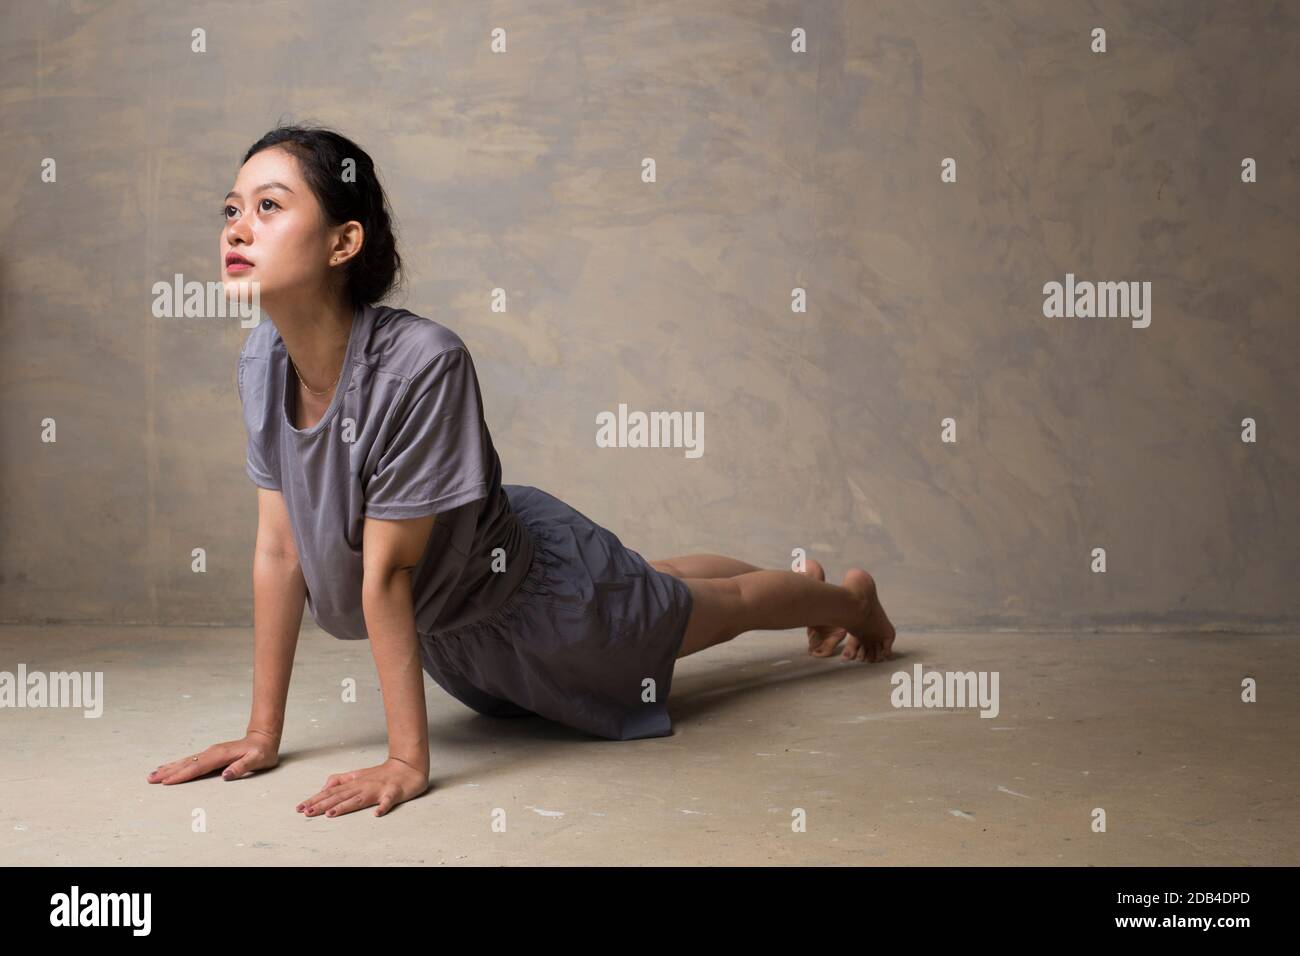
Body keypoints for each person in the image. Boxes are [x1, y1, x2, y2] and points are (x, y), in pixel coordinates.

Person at [146, 124, 896, 818]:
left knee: (714, 605)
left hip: (555, 613)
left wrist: (407, 760)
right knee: (655, 578)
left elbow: (385, 576)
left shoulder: (421, 364)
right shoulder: (260, 361)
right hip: (459, 633)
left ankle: (848, 601)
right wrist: (260, 733)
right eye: (231, 209)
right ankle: (805, 584)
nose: (238, 228)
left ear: (344, 242)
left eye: (270, 206)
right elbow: (280, 552)